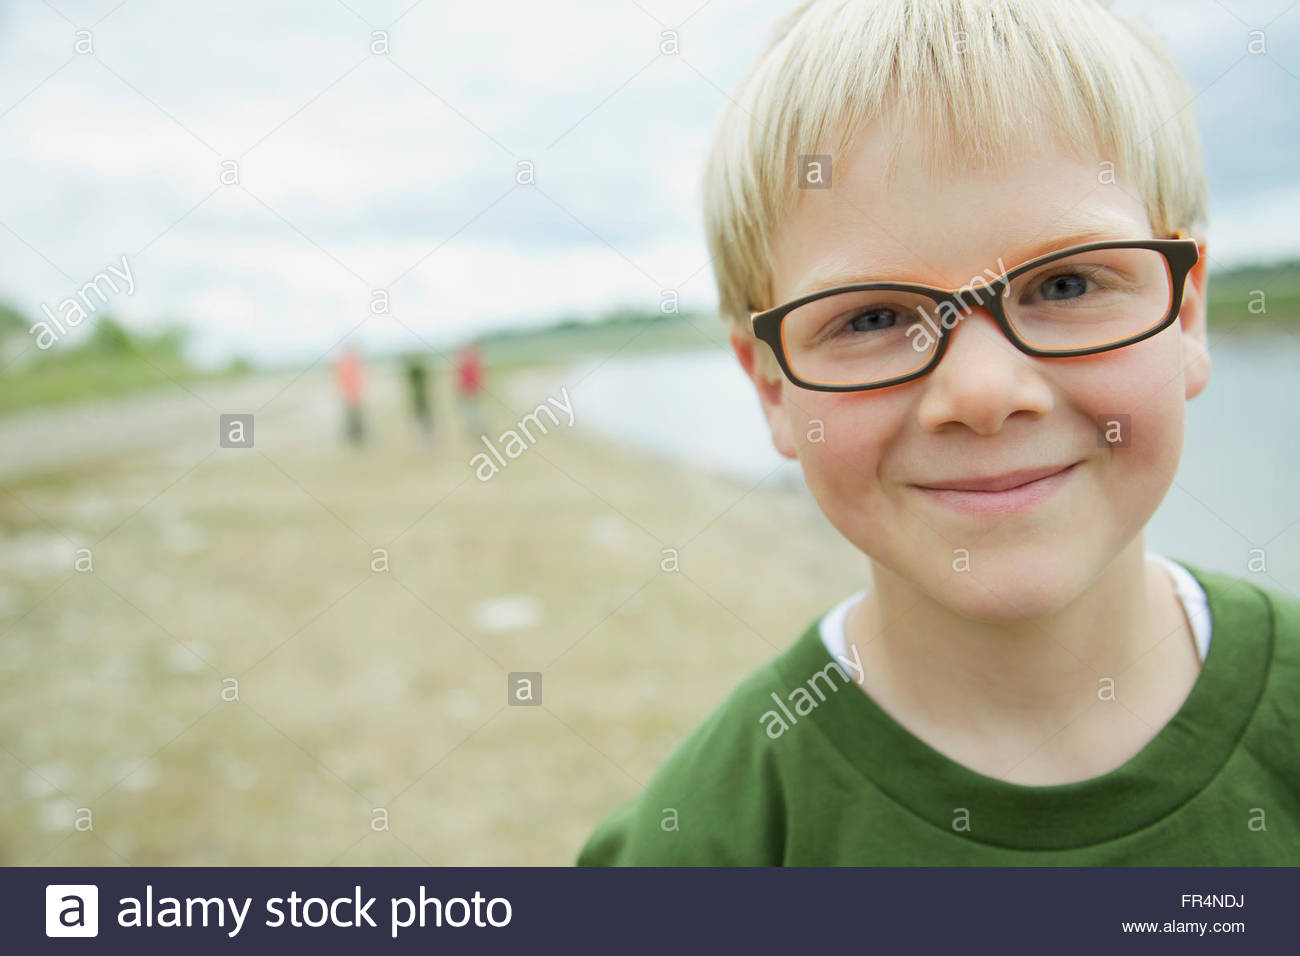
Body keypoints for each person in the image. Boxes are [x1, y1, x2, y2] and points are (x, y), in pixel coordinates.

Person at [578, 0, 1300, 865]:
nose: (984, 392)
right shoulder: (709, 845)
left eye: (1066, 286)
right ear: (771, 388)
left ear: (1185, 317)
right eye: (874, 315)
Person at [332, 345, 366, 446]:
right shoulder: (342, 364)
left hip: (356, 395)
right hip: (348, 395)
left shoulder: (355, 362)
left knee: (358, 417)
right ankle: (352, 436)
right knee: (350, 417)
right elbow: (339, 379)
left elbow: (361, 377)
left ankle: (360, 435)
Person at [455, 341, 486, 438]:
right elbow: (461, 380)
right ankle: (474, 433)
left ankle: (478, 432)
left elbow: (478, 378)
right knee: (470, 414)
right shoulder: (465, 364)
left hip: (473, 393)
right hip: (467, 393)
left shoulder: (473, 363)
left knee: (476, 414)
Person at [404, 353, 435, 446]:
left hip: (423, 404)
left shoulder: (419, 374)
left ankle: (428, 439)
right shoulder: (415, 374)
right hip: (419, 404)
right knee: (422, 422)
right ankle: (424, 439)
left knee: (426, 422)